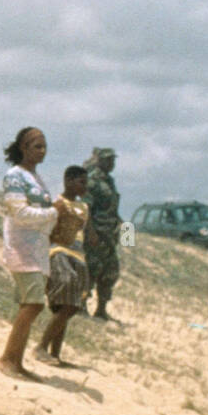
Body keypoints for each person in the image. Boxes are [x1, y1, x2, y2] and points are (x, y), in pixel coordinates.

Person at [0, 128, 54, 380]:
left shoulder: (36, 177)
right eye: (36, 146)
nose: (42, 151)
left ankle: (16, 360)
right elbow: (19, 213)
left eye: (44, 147)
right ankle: (8, 359)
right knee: (33, 304)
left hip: (38, 248)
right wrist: (53, 214)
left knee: (29, 304)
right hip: (21, 247)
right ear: (23, 147)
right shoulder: (14, 176)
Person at [40, 166, 90, 366]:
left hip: (79, 256)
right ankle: (41, 347)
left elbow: (90, 234)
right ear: (68, 181)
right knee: (67, 302)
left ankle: (55, 354)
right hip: (59, 252)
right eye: (82, 183)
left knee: (69, 304)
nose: (85, 187)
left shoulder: (85, 207)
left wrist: (125, 234)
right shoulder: (58, 204)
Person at [82, 147, 122, 320]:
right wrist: (91, 233)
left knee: (110, 272)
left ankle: (101, 309)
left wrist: (121, 225)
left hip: (109, 236)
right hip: (96, 234)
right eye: (108, 160)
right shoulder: (92, 181)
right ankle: (81, 306)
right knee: (91, 270)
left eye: (113, 160)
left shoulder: (110, 181)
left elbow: (112, 208)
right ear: (100, 160)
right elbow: (86, 209)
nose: (111, 163)